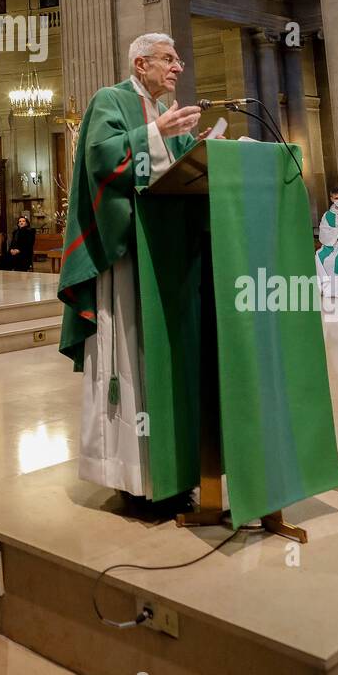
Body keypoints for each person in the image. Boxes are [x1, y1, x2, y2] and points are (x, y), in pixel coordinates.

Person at [58, 34, 209, 501]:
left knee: (167, 359)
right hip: (126, 255)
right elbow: (101, 158)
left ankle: (175, 466)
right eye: (169, 58)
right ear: (140, 63)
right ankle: (129, 476)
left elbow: (182, 171)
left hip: (169, 253)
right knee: (129, 355)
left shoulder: (169, 114)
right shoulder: (111, 99)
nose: (178, 67)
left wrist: (204, 151)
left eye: (179, 59)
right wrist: (157, 134)